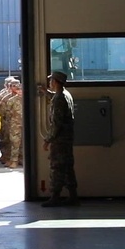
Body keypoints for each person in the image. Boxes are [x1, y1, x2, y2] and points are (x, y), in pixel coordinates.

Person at [40, 70, 78, 207]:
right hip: (67, 138)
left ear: (55, 82)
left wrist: (48, 140)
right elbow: (57, 99)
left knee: (56, 167)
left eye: (51, 81)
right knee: (67, 167)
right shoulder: (65, 95)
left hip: (60, 140)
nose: (50, 83)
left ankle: (55, 196)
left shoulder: (59, 99)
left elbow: (57, 123)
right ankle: (73, 196)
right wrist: (46, 93)